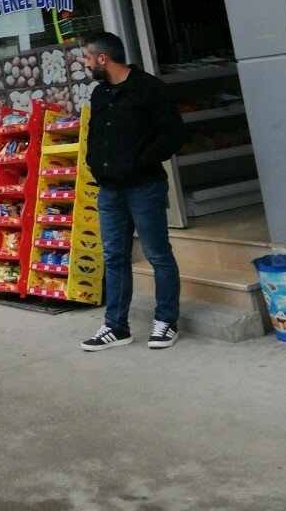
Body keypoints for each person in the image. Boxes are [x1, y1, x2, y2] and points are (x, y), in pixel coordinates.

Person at [81, 31, 185, 352]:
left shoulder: (149, 89)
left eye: (87, 58)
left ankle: (166, 321)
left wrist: (140, 162)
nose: (85, 64)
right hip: (109, 191)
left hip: (144, 187)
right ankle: (116, 327)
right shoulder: (99, 93)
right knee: (114, 257)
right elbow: (95, 136)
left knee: (157, 254)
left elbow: (173, 133)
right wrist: (94, 164)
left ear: (102, 58)